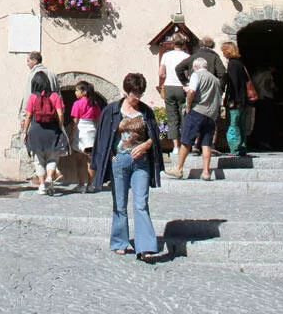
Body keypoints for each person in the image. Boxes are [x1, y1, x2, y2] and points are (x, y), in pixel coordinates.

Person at [90, 72, 163, 261]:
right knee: (120, 205)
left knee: (141, 203)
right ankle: (120, 241)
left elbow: (154, 137)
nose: (137, 98)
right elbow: (102, 137)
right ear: (126, 91)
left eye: (140, 94)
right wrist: (109, 158)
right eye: (134, 94)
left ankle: (145, 246)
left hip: (141, 164)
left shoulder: (146, 112)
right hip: (119, 162)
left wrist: (146, 146)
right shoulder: (112, 111)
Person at [166, 56, 222, 180]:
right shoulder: (215, 79)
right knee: (206, 143)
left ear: (195, 67)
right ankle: (206, 172)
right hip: (210, 114)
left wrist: (188, 106)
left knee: (186, 140)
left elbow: (192, 91)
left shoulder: (196, 75)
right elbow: (219, 99)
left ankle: (179, 168)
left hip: (197, 111)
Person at [21, 73, 67, 195]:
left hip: (36, 130)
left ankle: (41, 185)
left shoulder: (32, 97)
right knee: (52, 157)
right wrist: (60, 126)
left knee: (38, 160)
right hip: (52, 130)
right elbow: (61, 113)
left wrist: (25, 131)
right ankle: (50, 177)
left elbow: (28, 116)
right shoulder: (55, 96)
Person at [157, 33, 191, 156]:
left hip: (169, 87)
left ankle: (175, 146)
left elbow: (161, 73)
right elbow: (188, 74)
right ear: (184, 43)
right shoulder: (187, 56)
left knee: (172, 118)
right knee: (184, 116)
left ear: (172, 43)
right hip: (182, 87)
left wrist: (168, 76)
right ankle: (184, 145)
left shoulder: (166, 55)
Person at [69, 80, 103, 193]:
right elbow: (98, 120)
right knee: (90, 160)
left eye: (77, 90)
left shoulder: (77, 104)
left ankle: (81, 184)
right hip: (91, 131)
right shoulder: (94, 104)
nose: (75, 92)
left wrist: (71, 135)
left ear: (83, 92)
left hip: (81, 131)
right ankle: (90, 184)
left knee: (79, 160)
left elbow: (75, 121)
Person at [220, 42, 252, 156]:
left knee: (232, 125)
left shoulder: (232, 64)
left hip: (235, 100)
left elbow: (233, 83)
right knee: (241, 125)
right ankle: (242, 147)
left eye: (223, 51)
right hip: (242, 100)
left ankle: (235, 149)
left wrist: (231, 99)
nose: (223, 53)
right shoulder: (240, 63)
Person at [250, 65, 278, 150]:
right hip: (266, 98)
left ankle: (258, 141)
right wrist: (275, 89)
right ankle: (266, 142)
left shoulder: (255, 75)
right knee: (267, 121)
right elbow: (268, 85)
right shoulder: (268, 74)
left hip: (258, 99)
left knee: (259, 120)